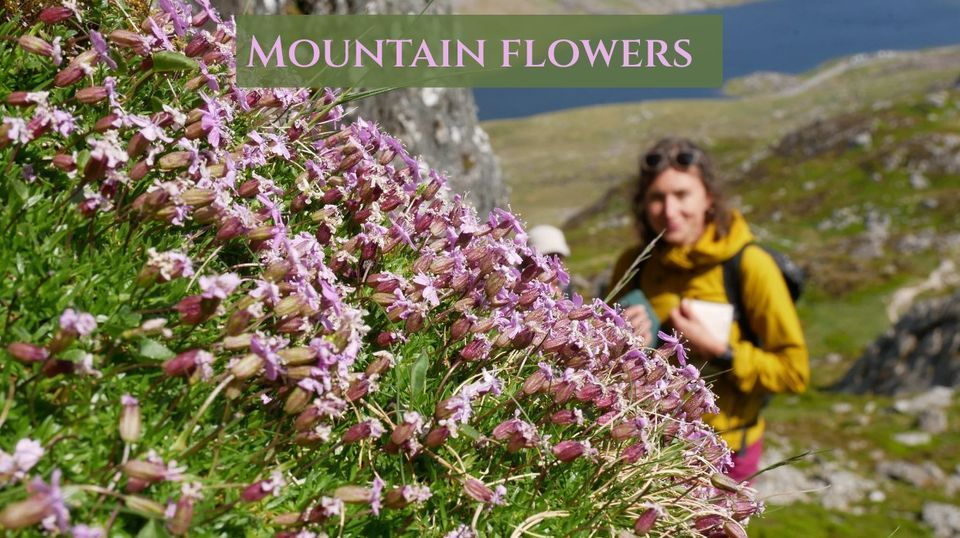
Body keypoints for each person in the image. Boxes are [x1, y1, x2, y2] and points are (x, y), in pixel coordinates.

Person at [608, 137, 809, 483]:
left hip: (723, 452)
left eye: (682, 195)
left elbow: (794, 373)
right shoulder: (634, 263)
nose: (669, 210)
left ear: (709, 198)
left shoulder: (750, 265)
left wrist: (720, 351)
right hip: (644, 444)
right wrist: (623, 339)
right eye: (656, 197)